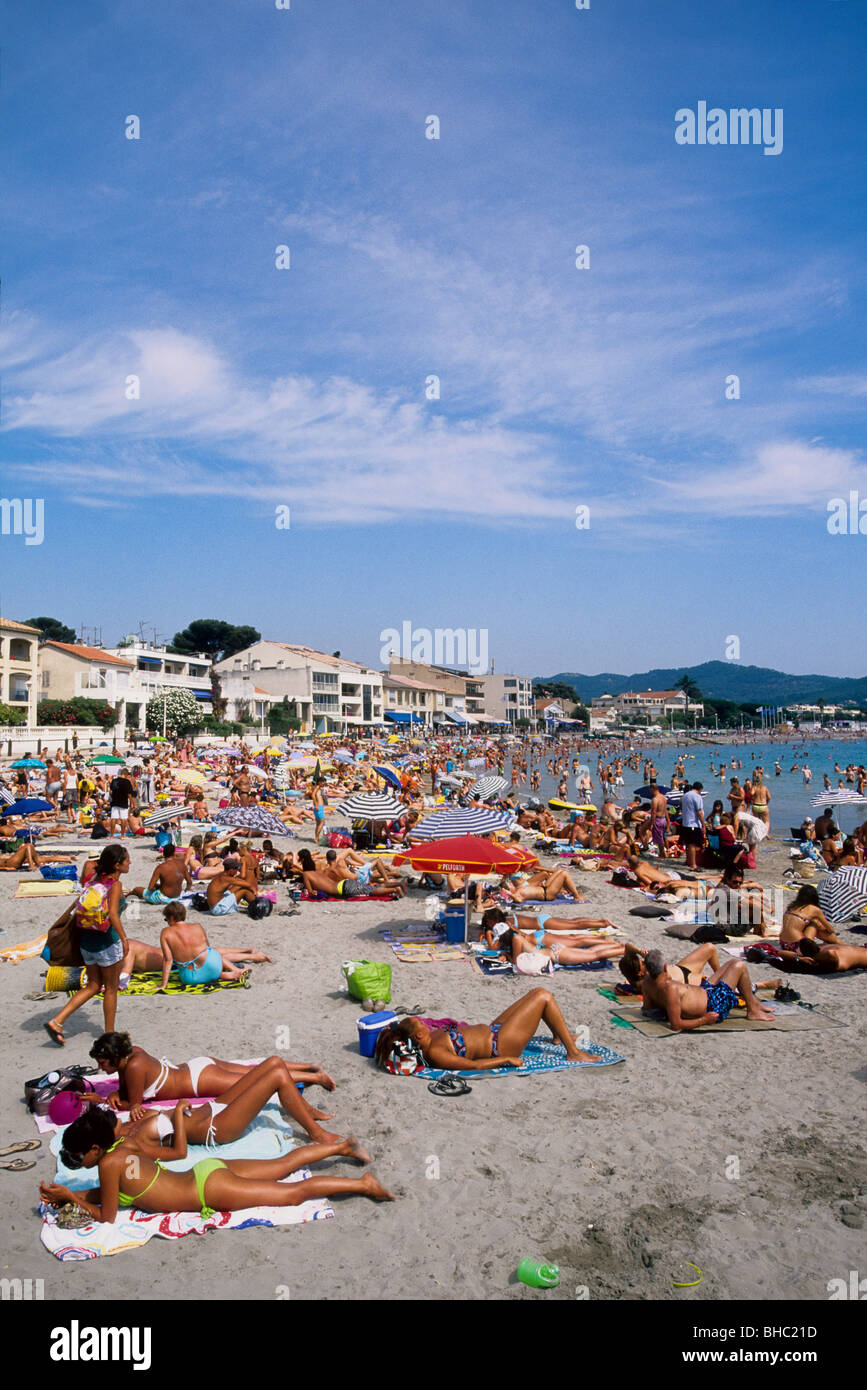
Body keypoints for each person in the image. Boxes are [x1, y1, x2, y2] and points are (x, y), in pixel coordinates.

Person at [40, 1106, 394, 1223]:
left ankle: (363, 1184)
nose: (75, 1161)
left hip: (208, 1189)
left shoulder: (108, 1165)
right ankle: (340, 1146)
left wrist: (72, 1199)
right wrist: (69, 1191)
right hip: (205, 1170)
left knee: (292, 1194)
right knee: (282, 1164)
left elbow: (107, 1215)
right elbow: (109, 1192)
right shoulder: (126, 1144)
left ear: (95, 1149)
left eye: (75, 1157)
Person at [87, 1032, 340, 1143]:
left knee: (259, 1080)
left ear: (115, 1057)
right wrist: (112, 1095)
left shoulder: (132, 1067)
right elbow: (125, 1089)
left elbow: (134, 1104)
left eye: (102, 1063)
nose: (100, 1069)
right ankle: (310, 1069)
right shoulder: (132, 1055)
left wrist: (111, 1099)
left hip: (198, 1082)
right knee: (257, 1071)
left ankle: (315, 1079)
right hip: (198, 1066)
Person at [375, 987, 602, 1069]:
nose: (425, 1022)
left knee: (535, 992)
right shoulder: (435, 1052)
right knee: (543, 997)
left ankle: (557, 1036)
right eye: (421, 1024)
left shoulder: (430, 1037)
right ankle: (573, 1053)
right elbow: (472, 1066)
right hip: (501, 1046)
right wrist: (505, 1060)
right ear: (419, 1035)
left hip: (495, 1031)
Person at [44, 844, 130, 1044]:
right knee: (110, 988)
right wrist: (125, 939)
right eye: (127, 860)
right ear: (117, 865)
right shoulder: (114, 885)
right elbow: (114, 916)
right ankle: (109, 1034)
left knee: (93, 985)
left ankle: (57, 1021)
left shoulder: (93, 879)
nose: (130, 863)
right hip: (106, 942)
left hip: (86, 941)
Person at [639, 947, 775, 1028]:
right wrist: (704, 1020)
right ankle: (752, 1011)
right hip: (713, 1004)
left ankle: (754, 1003)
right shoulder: (670, 989)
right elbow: (676, 1025)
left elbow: (648, 1009)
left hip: (706, 992)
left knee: (733, 962)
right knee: (739, 966)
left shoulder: (647, 982)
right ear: (664, 967)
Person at [679, 782, 705, 870]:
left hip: (685, 823)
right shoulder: (697, 796)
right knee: (693, 844)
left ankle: (688, 861)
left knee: (688, 844)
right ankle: (693, 865)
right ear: (700, 789)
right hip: (693, 823)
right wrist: (703, 825)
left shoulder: (685, 796)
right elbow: (700, 812)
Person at [108, 767, 136, 839]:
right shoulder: (127, 782)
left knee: (113, 818)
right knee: (123, 819)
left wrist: (114, 796)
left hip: (115, 802)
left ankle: (111, 835)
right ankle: (122, 835)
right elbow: (129, 794)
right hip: (123, 802)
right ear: (125, 774)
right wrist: (133, 804)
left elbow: (110, 792)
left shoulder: (114, 781)